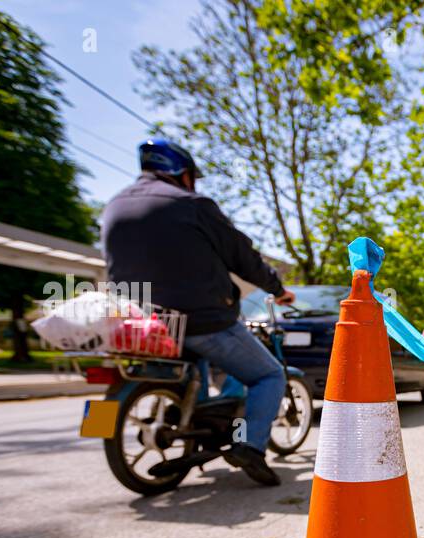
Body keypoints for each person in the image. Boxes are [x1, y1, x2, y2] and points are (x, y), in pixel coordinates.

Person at [101, 138, 293, 486]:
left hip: (141, 321)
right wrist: (277, 289)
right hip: (202, 319)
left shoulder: (114, 205)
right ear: (181, 172)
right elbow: (242, 256)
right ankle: (249, 446)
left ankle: (199, 422)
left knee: (201, 364)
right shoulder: (191, 205)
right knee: (269, 376)